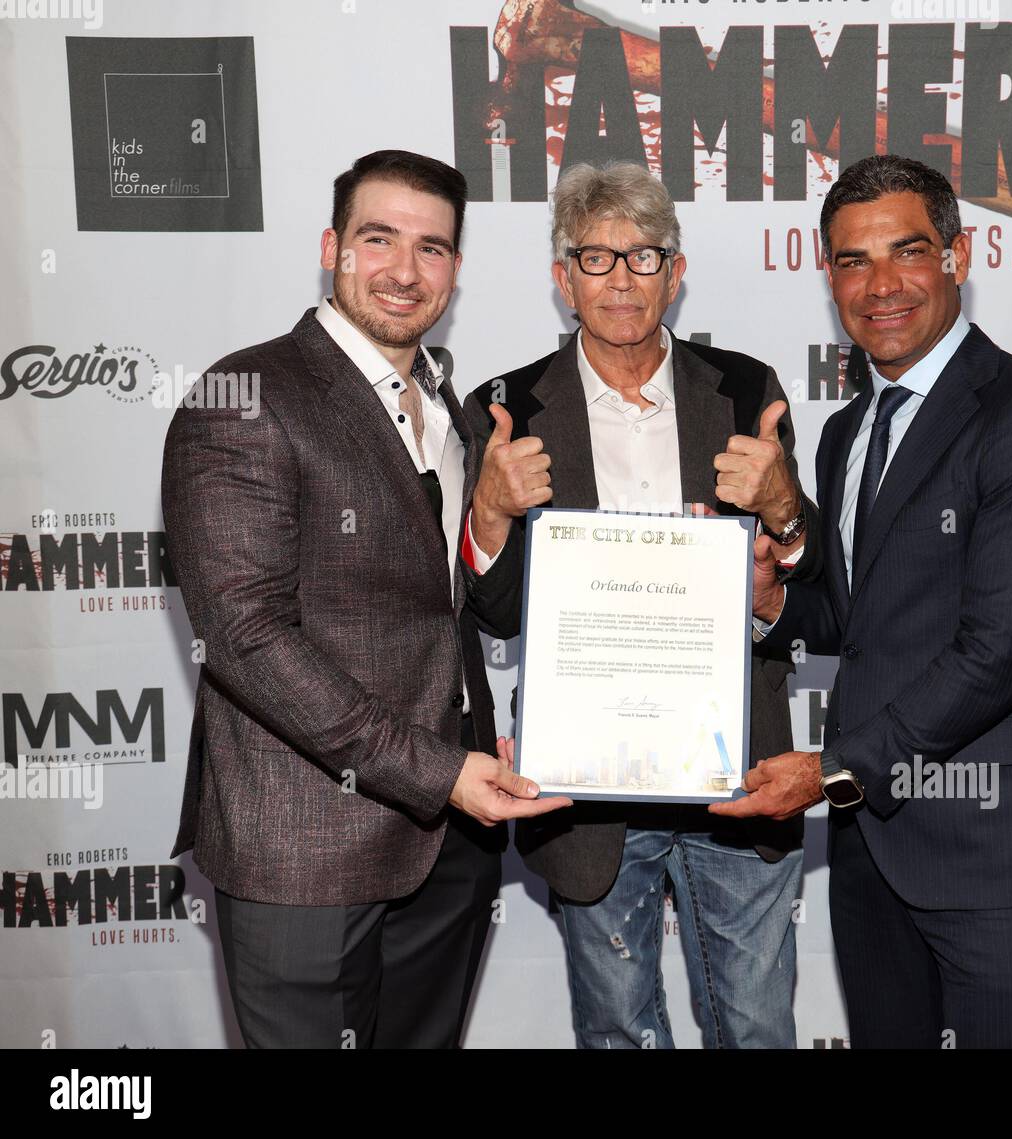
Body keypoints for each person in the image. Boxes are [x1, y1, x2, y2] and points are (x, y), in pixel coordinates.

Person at [161, 150, 568, 1049]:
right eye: (378, 238)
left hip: (451, 844)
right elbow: (249, 639)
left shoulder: (452, 408)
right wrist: (439, 770)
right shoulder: (245, 397)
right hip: (307, 847)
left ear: (456, 270)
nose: (404, 270)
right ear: (331, 248)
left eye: (432, 248)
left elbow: (447, 612)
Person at [713, 154, 1012, 1049]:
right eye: (853, 260)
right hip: (873, 854)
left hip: (999, 859)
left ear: (959, 257)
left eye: (909, 251)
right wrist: (776, 601)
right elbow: (863, 625)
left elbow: (996, 655)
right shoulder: (849, 429)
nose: (881, 285)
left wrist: (830, 768)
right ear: (828, 274)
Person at [463, 161, 819, 1049]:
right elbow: (498, 612)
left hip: (737, 768)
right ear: (562, 277)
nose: (622, 279)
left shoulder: (746, 388)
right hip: (586, 787)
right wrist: (490, 511)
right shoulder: (505, 410)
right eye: (596, 258)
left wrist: (782, 526)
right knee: (619, 1032)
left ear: (677, 270)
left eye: (644, 257)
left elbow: (805, 580)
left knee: (758, 1028)